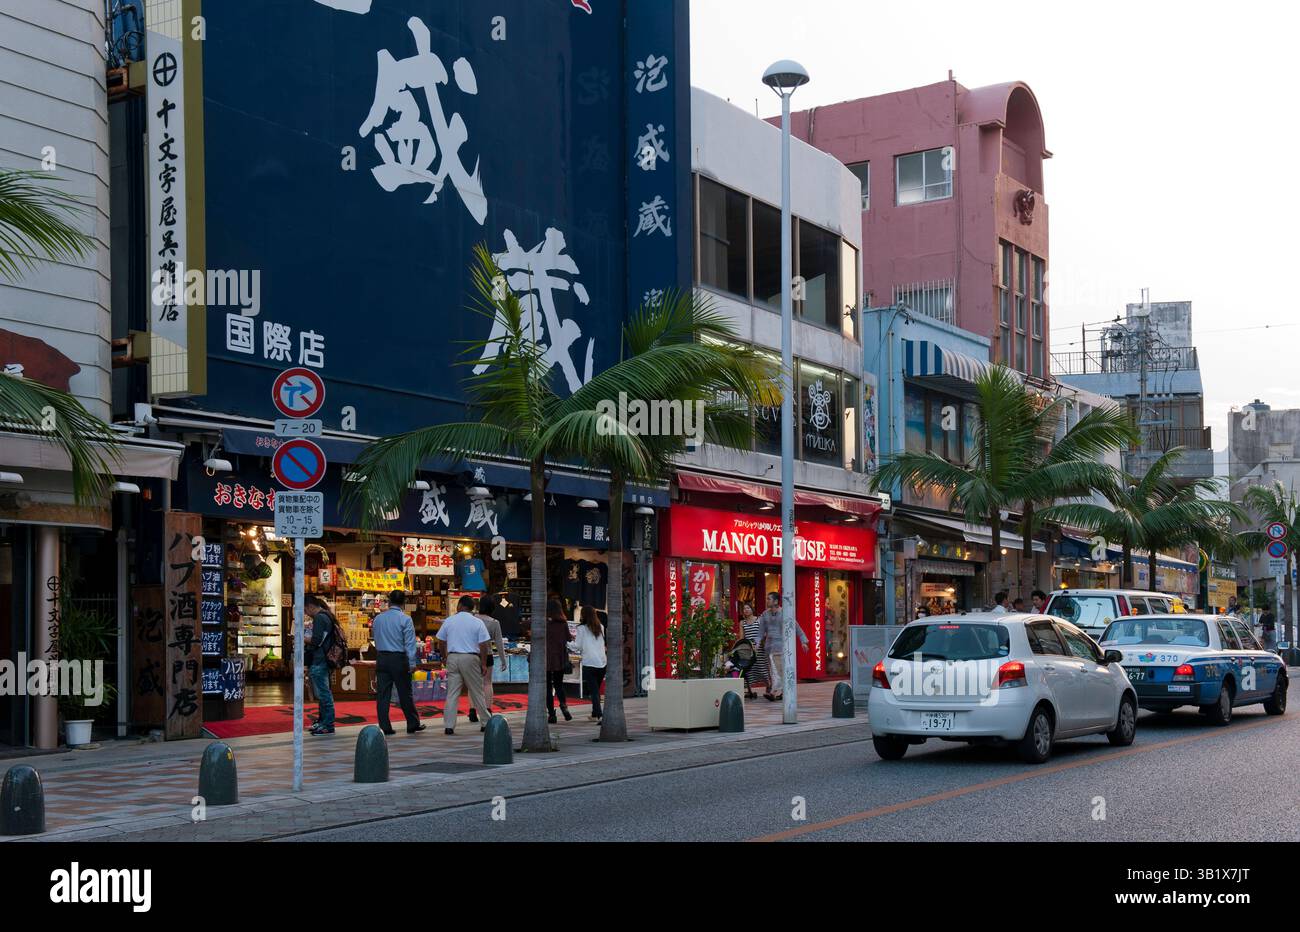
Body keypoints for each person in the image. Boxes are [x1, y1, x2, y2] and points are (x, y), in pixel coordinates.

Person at [437, 595, 493, 734]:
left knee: (452, 693)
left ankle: (449, 725)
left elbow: (441, 641)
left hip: (453, 657)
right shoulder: (477, 622)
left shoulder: (449, 621)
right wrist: (484, 663)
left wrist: (444, 656)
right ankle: (485, 722)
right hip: (470, 658)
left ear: (460, 605)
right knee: (476, 691)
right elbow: (484, 645)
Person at [372, 589, 425, 735]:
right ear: (404, 603)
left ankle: (385, 726)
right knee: (404, 692)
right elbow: (410, 643)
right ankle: (412, 723)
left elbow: (375, 638)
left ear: (389, 602)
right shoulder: (405, 619)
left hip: (382, 657)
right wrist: (412, 663)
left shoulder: (378, 619)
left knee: (383, 694)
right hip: (398, 658)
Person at [758, 591, 808, 702]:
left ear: (776, 601)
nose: (767, 601)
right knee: (775, 671)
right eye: (767, 599)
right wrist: (756, 643)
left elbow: (796, 627)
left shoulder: (785, 613)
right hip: (768, 647)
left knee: (777, 670)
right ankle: (784, 692)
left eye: (769, 599)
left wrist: (803, 641)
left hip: (780, 647)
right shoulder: (765, 614)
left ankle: (773, 692)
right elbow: (761, 631)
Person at [304, 594, 337, 735]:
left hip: (320, 660)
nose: (305, 613)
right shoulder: (327, 615)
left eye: (305, 610)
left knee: (323, 694)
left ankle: (328, 724)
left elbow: (317, 640)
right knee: (324, 692)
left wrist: (303, 638)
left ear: (310, 606)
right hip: (324, 659)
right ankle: (323, 721)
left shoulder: (320, 618)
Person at [472, 594, 506, 723]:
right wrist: (503, 660)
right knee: (487, 683)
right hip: (489, 654)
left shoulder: (473, 618)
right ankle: (488, 709)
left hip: (473, 653)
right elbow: (499, 642)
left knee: (473, 684)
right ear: (492, 607)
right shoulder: (494, 623)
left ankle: (472, 710)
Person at [573, 605, 607, 722]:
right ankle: (594, 713)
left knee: (594, 691)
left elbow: (577, 646)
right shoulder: (601, 627)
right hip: (602, 662)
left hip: (589, 662)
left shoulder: (581, 629)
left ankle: (599, 714)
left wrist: (567, 643)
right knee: (596, 689)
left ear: (583, 615)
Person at [545, 599, 573, 723]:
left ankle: (551, 714)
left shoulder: (544, 623)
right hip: (559, 658)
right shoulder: (563, 623)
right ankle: (563, 706)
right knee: (559, 684)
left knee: (547, 687)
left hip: (546, 658)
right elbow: (568, 639)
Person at [738, 600, 767, 700]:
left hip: (759, 648)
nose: (746, 610)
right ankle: (749, 690)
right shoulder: (742, 622)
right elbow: (742, 637)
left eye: (748, 608)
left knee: (762, 668)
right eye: (744, 609)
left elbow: (763, 633)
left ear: (752, 609)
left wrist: (760, 643)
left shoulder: (759, 619)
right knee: (749, 670)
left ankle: (768, 686)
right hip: (748, 649)